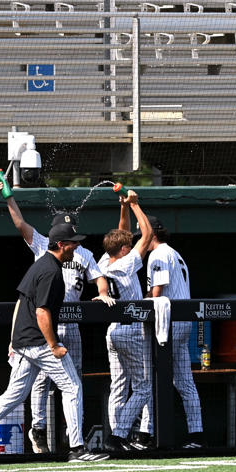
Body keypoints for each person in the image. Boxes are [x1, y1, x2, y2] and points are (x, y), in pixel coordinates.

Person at [0, 223, 110, 464]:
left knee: (15, 394)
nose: (76, 246)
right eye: (72, 243)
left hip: (24, 340)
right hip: (38, 341)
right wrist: (54, 345)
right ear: (60, 245)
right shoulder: (51, 271)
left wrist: (14, 340)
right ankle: (77, 449)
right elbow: (41, 312)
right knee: (72, 388)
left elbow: (22, 302)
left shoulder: (40, 265)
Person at [0, 178, 114, 454]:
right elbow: (20, 225)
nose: (74, 235)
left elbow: (100, 279)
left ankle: (74, 438)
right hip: (43, 321)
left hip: (70, 322)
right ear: (60, 236)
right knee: (39, 382)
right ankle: (38, 430)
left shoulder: (83, 252)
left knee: (73, 382)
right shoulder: (43, 245)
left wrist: (104, 292)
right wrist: (8, 198)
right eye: (69, 231)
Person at [140, 215, 204, 449]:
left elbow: (156, 293)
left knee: (150, 378)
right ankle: (196, 435)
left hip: (169, 324)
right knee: (184, 381)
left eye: (144, 235)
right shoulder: (174, 252)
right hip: (182, 321)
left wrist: (137, 301)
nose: (142, 241)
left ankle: (146, 435)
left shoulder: (158, 254)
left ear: (153, 234)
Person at [98, 190, 154, 452]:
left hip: (112, 332)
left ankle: (115, 437)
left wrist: (122, 209)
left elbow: (124, 235)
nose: (130, 248)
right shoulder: (126, 263)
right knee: (143, 388)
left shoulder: (103, 261)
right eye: (127, 247)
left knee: (118, 387)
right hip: (130, 330)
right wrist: (134, 204)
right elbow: (148, 233)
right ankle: (118, 435)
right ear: (122, 250)